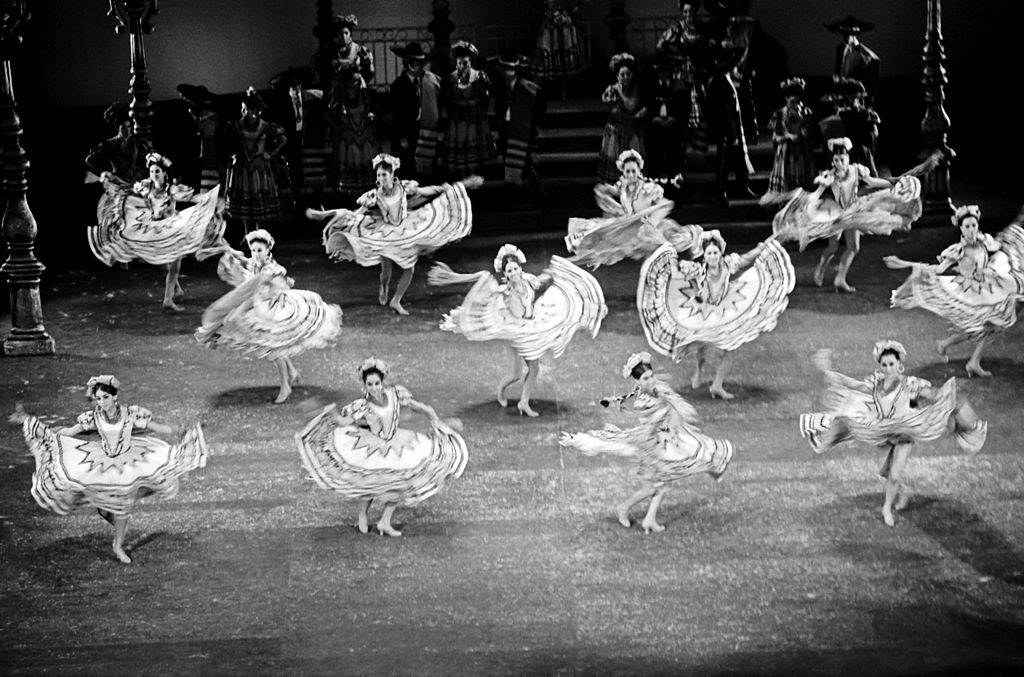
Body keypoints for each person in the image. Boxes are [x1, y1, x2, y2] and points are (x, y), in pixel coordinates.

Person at [9, 375, 208, 563]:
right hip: (101, 462)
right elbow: (68, 432)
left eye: (105, 398)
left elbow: (157, 427)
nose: (101, 402)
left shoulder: (130, 414)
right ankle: (112, 516)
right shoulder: (93, 417)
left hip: (129, 462)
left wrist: (181, 430)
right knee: (107, 508)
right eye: (98, 399)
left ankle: (117, 545)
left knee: (123, 505)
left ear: (115, 397)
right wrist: (36, 426)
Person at [801, 341, 987, 527]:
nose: (888, 368)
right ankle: (904, 491)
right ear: (880, 366)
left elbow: (933, 394)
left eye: (892, 364)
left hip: (904, 436)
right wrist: (829, 371)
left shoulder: (911, 385)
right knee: (885, 472)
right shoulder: (876, 384)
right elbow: (854, 386)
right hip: (884, 434)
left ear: (899, 364)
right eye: (884, 365)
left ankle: (886, 508)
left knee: (894, 475)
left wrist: (945, 404)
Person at [559, 352, 733, 533]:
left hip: (661, 441)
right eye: (646, 378)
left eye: (651, 376)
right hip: (650, 447)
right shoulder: (642, 403)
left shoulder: (655, 389)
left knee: (664, 483)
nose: (651, 380)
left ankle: (649, 519)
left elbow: (663, 404)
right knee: (650, 488)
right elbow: (652, 425)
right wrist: (665, 431)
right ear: (638, 382)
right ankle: (624, 508)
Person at [428, 244, 608, 417]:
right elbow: (483, 282)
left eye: (515, 269)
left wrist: (582, 258)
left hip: (531, 326)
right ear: (505, 274)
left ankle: (523, 402)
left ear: (520, 269)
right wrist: (454, 278)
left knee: (534, 367)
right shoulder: (504, 292)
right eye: (509, 271)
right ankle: (502, 390)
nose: (513, 273)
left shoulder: (528, 281)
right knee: (516, 374)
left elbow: (548, 274)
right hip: (515, 332)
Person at [295, 357, 469, 537]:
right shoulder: (363, 406)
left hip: (397, 443)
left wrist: (434, 418)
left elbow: (419, 407)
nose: (374, 388)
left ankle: (384, 521)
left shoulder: (395, 394)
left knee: (397, 484)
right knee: (370, 483)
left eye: (377, 383)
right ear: (364, 385)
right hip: (374, 445)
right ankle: (363, 514)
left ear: (382, 382)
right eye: (369, 384)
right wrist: (331, 412)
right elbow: (344, 421)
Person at [307, 153, 482, 316]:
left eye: (384, 175)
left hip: (408, 227)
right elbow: (355, 213)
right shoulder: (374, 195)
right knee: (386, 271)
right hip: (386, 232)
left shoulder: (404, 186)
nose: (381, 179)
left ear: (392, 175)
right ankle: (384, 286)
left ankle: (396, 300)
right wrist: (325, 215)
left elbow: (424, 192)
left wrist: (448, 188)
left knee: (409, 268)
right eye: (378, 176)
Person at [636, 231, 794, 399]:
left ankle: (717, 385)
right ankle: (699, 371)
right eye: (709, 253)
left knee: (732, 347)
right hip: (703, 312)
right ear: (704, 256)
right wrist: (670, 252)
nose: (712, 256)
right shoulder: (698, 269)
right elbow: (675, 275)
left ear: (720, 254)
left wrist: (771, 242)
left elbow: (749, 257)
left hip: (725, 309)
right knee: (700, 346)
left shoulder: (728, 264)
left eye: (715, 253)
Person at [194, 229, 343, 405]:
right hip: (259, 306)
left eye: (259, 250)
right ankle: (292, 372)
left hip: (275, 309)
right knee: (268, 342)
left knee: (274, 348)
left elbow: (281, 286)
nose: (256, 254)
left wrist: (269, 286)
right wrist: (223, 250)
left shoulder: (272, 269)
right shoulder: (253, 263)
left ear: (267, 250)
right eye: (254, 250)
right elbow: (241, 259)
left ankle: (285, 387)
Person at [769, 137, 925, 293]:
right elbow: (817, 194)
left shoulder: (856, 170)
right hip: (836, 215)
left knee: (853, 247)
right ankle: (822, 265)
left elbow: (872, 182)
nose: (839, 163)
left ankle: (840, 279)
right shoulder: (829, 176)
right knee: (833, 247)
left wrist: (893, 183)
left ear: (848, 158)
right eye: (836, 160)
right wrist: (807, 202)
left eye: (842, 159)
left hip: (856, 210)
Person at [885, 205, 1024, 377]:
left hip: (990, 286)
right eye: (967, 226)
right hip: (970, 291)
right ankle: (960, 353)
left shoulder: (984, 240)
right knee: (985, 326)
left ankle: (955, 350)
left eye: (974, 225)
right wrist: (902, 263)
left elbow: (1002, 248)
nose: (971, 230)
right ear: (961, 228)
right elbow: (937, 269)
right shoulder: (958, 250)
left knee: (992, 325)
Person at [90, 151, 227, 312]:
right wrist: (112, 180)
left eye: (157, 171)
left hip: (172, 228)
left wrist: (208, 199)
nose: (154, 174)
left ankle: (170, 296)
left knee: (174, 264)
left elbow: (190, 198)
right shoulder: (145, 187)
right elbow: (128, 188)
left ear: (164, 173)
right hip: (153, 228)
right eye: (152, 171)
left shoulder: (171, 189)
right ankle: (171, 294)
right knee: (164, 263)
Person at [566, 149, 704, 268]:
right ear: (623, 171)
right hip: (628, 228)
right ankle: (567, 266)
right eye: (628, 171)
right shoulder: (623, 186)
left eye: (633, 171)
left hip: (645, 228)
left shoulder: (647, 188)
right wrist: (605, 191)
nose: (631, 175)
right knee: (600, 241)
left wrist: (651, 222)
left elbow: (665, 204)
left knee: (671, 244)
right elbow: (612, 191)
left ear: (639, 171)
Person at [225, 87, 288, 235]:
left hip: (259, 167)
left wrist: (270, 153)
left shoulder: (265, 126)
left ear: (256, 111)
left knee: (258, 201)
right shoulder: (236, 125)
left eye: (248, 110)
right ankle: (247, 234)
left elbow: (283, 139)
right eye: (243, 109)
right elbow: (228, 143)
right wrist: (233, 155)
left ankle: (259, 234)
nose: (245, 113)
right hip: (242, 168)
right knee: (245, 203)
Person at [268, 66, 324, 213]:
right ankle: (296, 200)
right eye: (293, 86)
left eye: (298, 85)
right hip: (291, 139)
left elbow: (320, 97)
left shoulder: (307, 97)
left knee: (311, 169)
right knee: (294, 169)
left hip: (305, 138)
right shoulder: (283, 101)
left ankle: (313, 200)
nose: (296, 89)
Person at [491, 51, 547, 191]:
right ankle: (513, 195)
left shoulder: (527, 89)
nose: (505, 72)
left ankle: (539, 195)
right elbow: (499, 107)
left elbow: (541, 107)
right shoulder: (501, 87)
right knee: (508, 162)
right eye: (503, 69)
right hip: (507, 129)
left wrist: (532, 124)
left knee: (526, 165)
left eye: (508, 69)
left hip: (522, 131)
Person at [440, 41, 496, 178]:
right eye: (458, 63)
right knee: (460, 148)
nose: (461, 66)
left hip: (475, 119)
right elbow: (444, 100)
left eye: (465, 63)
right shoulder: (450, 79)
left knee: (475, 148)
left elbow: (486, 99)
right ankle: (462, 175)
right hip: (458, 120)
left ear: (470, 62)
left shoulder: (479, 77)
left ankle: (475, 175)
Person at [387, 42, 443, 176]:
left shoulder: (428, 81)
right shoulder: (398, 86)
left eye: (420, 63)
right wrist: (401, 136)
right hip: (407, 131)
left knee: (425, 168)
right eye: (414, 63)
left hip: (423, 129)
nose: (418, 67)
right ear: (407, 64)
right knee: (407, 167)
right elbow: (396, 114)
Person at [326, 63, 381, 198]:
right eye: (355, 81)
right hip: (348, 142)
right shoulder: (338, 98)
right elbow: (326, 114)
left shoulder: (365, 96)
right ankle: (352, 199)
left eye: (359, 79)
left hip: (366, 140)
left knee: (368, 169)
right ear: (347, 83)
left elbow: (376, 110)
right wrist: (337, 126)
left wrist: (372, 115)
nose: (358, 83)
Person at [598, 53, 646, 184]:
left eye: (628, 74)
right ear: (617, 76)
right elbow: (616, 111)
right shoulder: (612, 91)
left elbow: (641, 105)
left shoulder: (637, 90)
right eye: (622, 75)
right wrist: (631, 116)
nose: (625, 78)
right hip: (618, 131)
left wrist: (642, 112)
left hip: (632, 130)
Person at [763, 77, 814, 199]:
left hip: (800, 152)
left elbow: (808, 131)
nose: (797, 104)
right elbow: (776, 135)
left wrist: (801, 134)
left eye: (798, 101)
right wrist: (786, 137)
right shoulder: (779, 114)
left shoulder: (805, 112)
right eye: (793, 101)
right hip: (786, 152)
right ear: (786, 99)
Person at [644, 51, 690, 183]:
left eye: (666, 71)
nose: (664, 74)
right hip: (655, 129)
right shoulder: (650, 87)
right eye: (661, 71)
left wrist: (675, 118)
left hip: (673, 130)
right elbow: (646, 106)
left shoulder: (680, 88)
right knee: (654, 162)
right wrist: (654, 117)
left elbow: (685, 109)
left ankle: (675, 191)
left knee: (674, 162)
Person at [84, 102, 152, 183]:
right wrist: (105, 174)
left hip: (135, 179)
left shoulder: (134, 140)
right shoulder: (109, 144)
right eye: (123, 128)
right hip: (119, 181)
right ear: (117, 128)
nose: (127, 130)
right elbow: (89, 160)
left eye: (129, 127)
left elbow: (148, 153)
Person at [176, 84, 224, 195]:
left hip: (211, 160)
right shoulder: (192, 120)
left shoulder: (212, 122)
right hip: (198, 162)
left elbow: (215, 144)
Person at [533, 1, 584, 100]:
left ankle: (562, 91)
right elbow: (542, 30)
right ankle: (538, 94)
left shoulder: (565, 15)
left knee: (563, 69)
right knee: (543, 70)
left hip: (561, 46)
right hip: (548, 45)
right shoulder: (545, 15)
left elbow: (571, 28)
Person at [826, 15, 880, 107]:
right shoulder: (841, 47)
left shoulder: (867, 56)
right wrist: (836, 77)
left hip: (855, 96)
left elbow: (871, 82)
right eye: (844, 34)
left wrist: (869, 101)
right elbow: (838, 68)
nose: (846, 37)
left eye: (849, 34)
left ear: (855, 35)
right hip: (841, 93)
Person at [838, 78, 881, 177]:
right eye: (854, 97)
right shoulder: (843, 111)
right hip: (850, 143)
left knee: (865, 151)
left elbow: (874, 124)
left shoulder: (864, 111)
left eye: (858, 97)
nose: (856, 99)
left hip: (863, 143)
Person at [331, 14, 374, 84]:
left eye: (346, 33)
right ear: (337, 35)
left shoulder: (359, 50)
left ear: (350, 34)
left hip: (354, 85)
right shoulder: (333, 51)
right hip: (339, 87)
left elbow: (369, 72)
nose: (343, 36)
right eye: (341, 33)